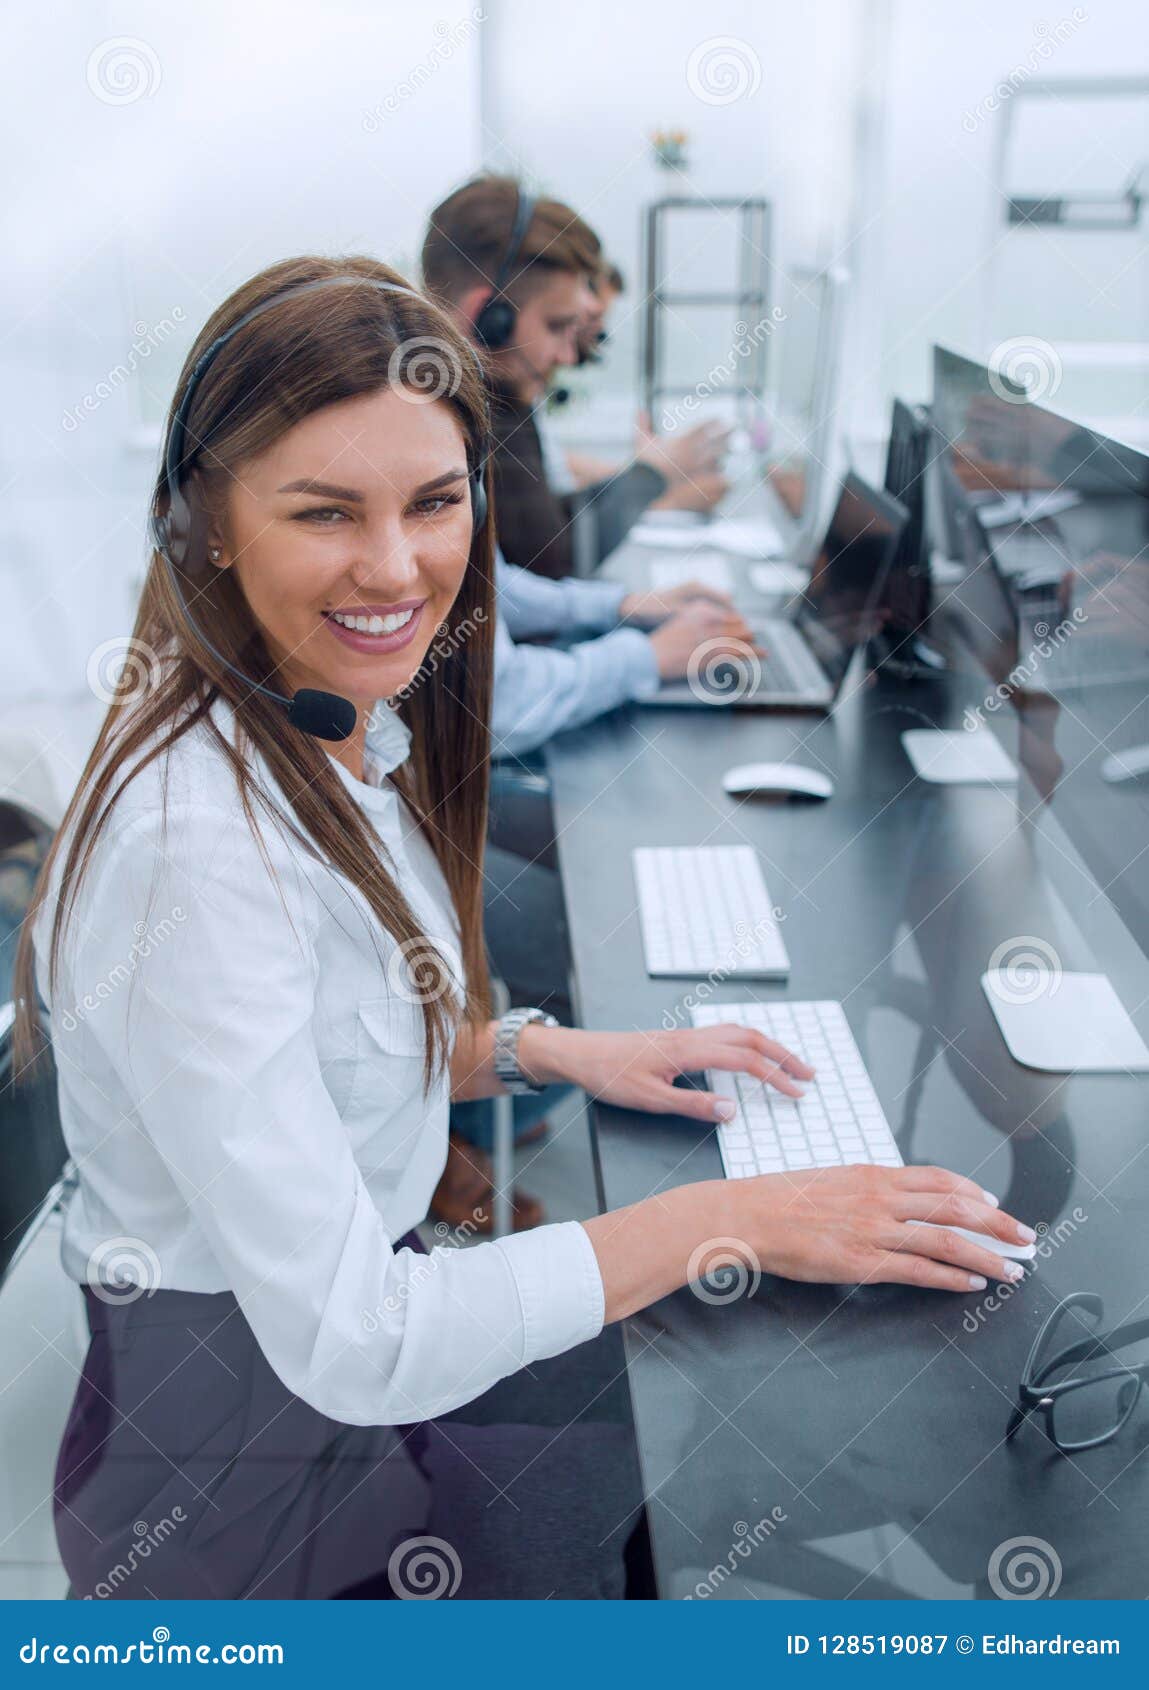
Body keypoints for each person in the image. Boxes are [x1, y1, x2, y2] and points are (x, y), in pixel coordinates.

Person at [13, 257, 1033, 1599]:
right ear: (206, 523)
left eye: (435, 504)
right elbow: (359, 1341)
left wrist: (548, 1053)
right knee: (772, 1418)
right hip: (252, 1486)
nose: (398, 566)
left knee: (773, 1390)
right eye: (326, 513)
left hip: (322, 1363)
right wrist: (733, 1217)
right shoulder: (196, 848)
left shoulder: (326, 724)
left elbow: (322, 1037)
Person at [421, 175, 728, 578]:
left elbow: (547, 529)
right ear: (488, 320)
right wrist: (654, 473)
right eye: (555, 326)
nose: (569, 354)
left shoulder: (496, 398)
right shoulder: (470, 420)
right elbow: (554, 561)